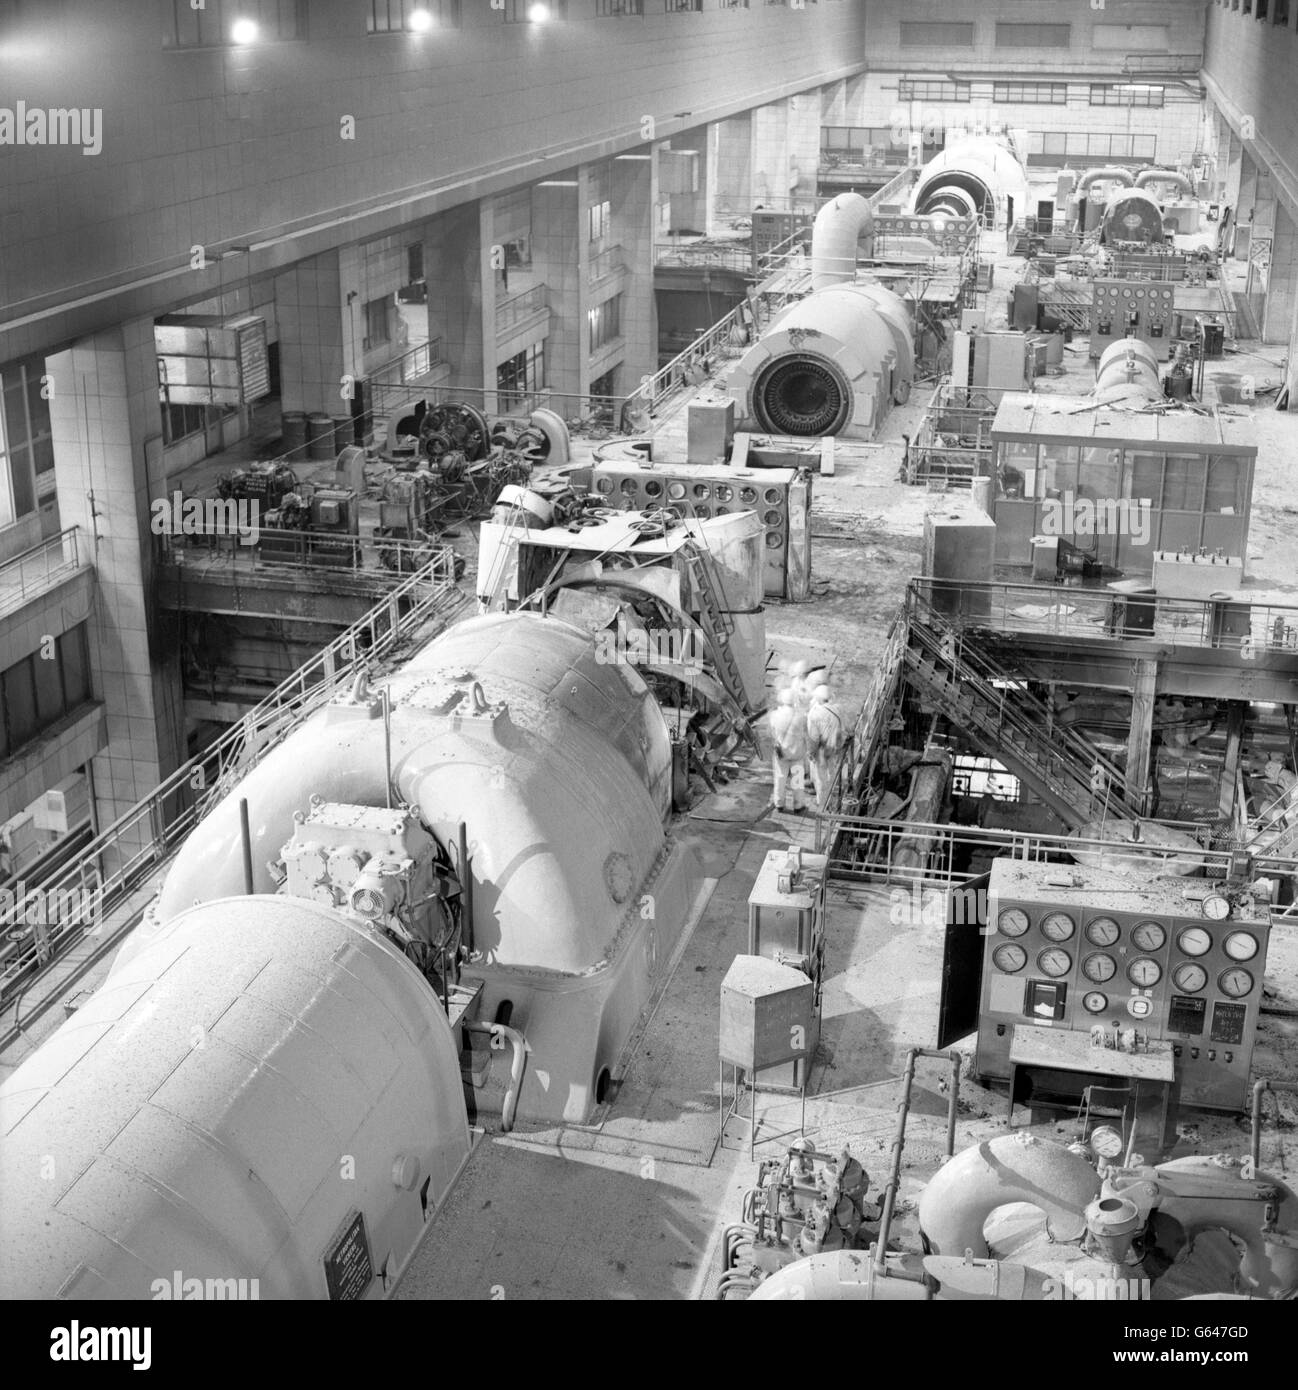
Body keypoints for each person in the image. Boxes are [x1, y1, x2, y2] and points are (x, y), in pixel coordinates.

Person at [768, 688, 809, 813]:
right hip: (797, 753)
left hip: (781, 753)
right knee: (797, 780)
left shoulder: (775, 715)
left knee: (780, 778)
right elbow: (806, 733)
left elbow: (772, 733)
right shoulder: (802, 715)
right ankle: (798, 805)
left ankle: (779, 803)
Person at [806, 684, 844, 809]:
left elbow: (813, 738)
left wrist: (811, 753)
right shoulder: (837, 709)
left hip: (821, 751)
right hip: (835, 748)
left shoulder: (815, 714)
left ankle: (822, 803)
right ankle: (833, 801)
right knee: (832, 775)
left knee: (820, 778)